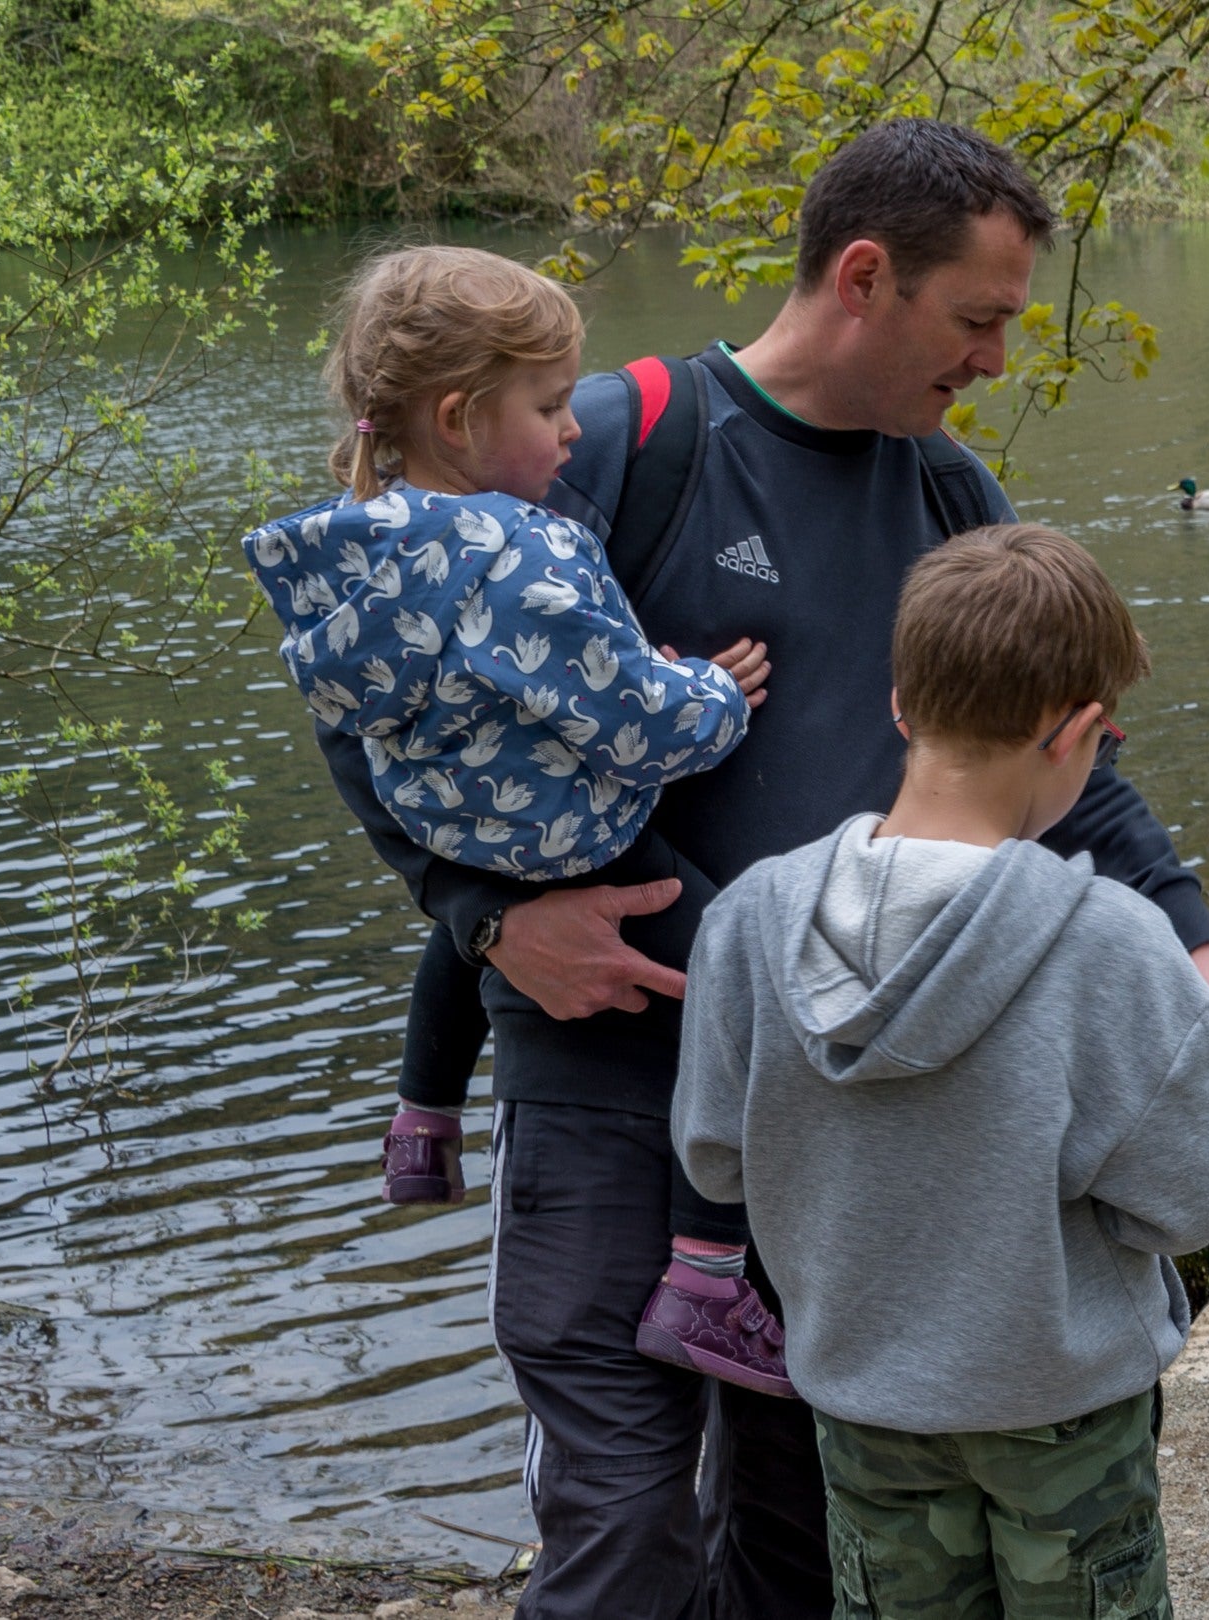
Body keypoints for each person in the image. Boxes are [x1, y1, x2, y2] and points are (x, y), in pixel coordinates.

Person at [302, 119, 1209, 1620]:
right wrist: (484, 916)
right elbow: (389, 705)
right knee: (623, 1534)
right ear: (867, 278)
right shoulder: (614, 443)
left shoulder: (948, 498)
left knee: (809, 1538)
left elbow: (1064, 759)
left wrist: (1195, 936)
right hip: (607, 1092)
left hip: (835, 1135)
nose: (999, 360)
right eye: (980, 320)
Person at [241, 244, 800, 1400]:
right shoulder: (521, 547)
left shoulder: (350, 549)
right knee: (742, 999)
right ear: (458, 417)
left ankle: (422, 1122)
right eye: (548, 407)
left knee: (455, 937)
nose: (575, 431)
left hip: (463, 842)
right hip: (579, 839)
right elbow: (635, 722)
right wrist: (716, 698)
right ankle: (706, 1274)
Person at [674, 523, 1209, 1620]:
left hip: (864, 1404)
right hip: (1064, 1410)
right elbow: (1195, 1197)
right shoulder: (1113, 943)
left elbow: (714, 1156)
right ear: (1078, 733)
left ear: (902, 705)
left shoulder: (750, 920)